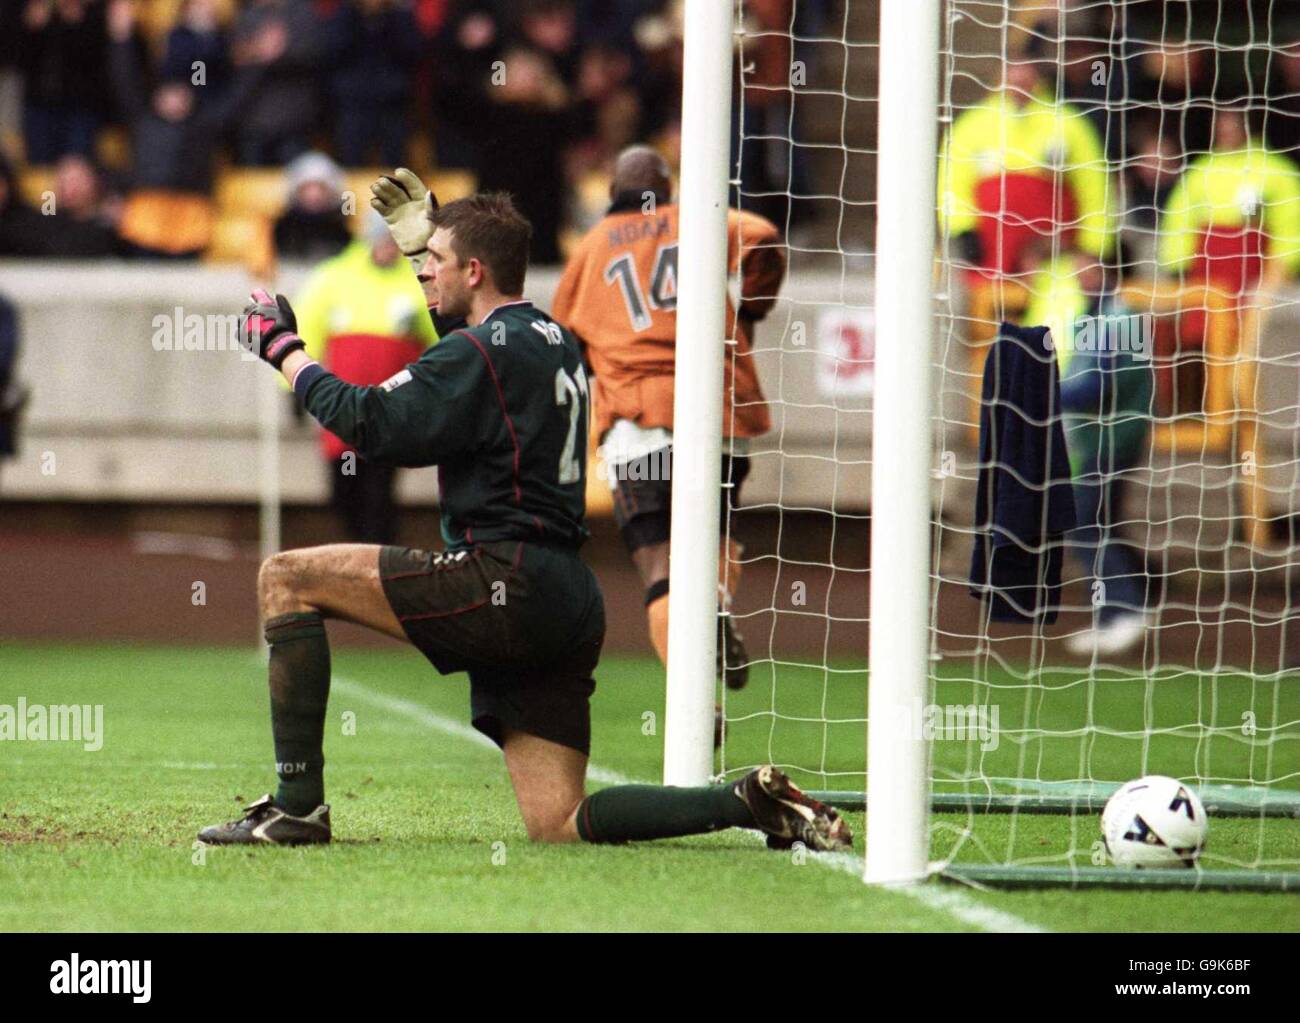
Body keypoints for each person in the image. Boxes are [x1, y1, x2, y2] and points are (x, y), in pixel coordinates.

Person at [197, 180, 848, 853]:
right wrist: (433, 240)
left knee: (287, 577)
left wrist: (284, 349)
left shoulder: (480, 351)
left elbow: (372, 422)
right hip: (566, 595)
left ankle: (297, 808)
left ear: (473, 270)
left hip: (501, 578)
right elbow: (476, 348)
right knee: (558, 822)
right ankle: (745, 802)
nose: (421, 268)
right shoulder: (554, 339)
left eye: (435, 260)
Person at [550, 146, 785, 732]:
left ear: (611, 189)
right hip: (716, 405)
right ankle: (718, 605)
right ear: (666, 184)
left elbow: (565, 341)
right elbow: (765, 239)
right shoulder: (703, 222)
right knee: (718, 534)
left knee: (659, 564)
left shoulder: (589, 248)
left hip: (637, 420)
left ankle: (697, 707)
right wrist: (751, 306)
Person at [1019, 240, 1154, 655]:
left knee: (1085, 522)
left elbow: (1099, 385)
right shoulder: (1100, 316)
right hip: (1105, 436)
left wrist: (1042, 395)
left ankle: (1128, 609)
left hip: (1111, 438)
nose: (1081, 277)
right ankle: (1118, 609)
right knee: (1099, 521)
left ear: (1109, 272)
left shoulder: (1117, 318)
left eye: (1088, 269)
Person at [292, 212, 438, 543]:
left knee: (379, 493)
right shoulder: (334, 276)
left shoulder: (420, 284)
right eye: (383, 241)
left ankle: (378, 561)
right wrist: (291, 388)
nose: (388, 249)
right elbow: (306, 329)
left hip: (391, 412)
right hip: (343, 408)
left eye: (394, 243)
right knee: (343, 487)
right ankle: (360, 551)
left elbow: (442, 341)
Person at [938, 39, 1112, 281]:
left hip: (1052, 251)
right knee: (983, 304)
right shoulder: (971, 125)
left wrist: (1094, 244)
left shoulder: (1070, 125)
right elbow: (952, 183)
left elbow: (1094, 188)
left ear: (1039, 76)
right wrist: (962, 229)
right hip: (989, 248)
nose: (1019, 82)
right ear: (1001, 76)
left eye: (1026, 72)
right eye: (1013, 73)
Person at [273, 151, 352, 262]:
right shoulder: (282, 231)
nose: (314, 195)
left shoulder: (344, 230)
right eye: (307, 187)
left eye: (321, 187)